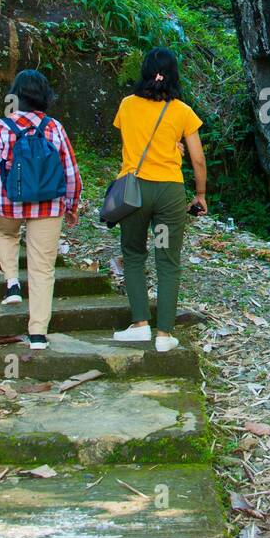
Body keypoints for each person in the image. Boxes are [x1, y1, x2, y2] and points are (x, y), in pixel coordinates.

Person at [0, 70, 82, 351]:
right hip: (49, 204)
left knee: (6, 235)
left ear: (16, 95)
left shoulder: (1, 126)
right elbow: (70, 170)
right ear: (44, 96)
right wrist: (72, 204)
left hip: (9, 202)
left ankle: (12, 283)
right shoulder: (54, 127)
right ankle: (38, 334)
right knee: (43, 268)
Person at [110, 48, 207, 353]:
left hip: (134, 193)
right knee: (166, 260)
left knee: (135, 255)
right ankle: (164, 334)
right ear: (174, 74)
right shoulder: (182, 111)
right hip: (168, 195)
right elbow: (199, 159)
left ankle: (140, 325)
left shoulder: (126, 105)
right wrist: (201, 194)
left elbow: (131, 143)